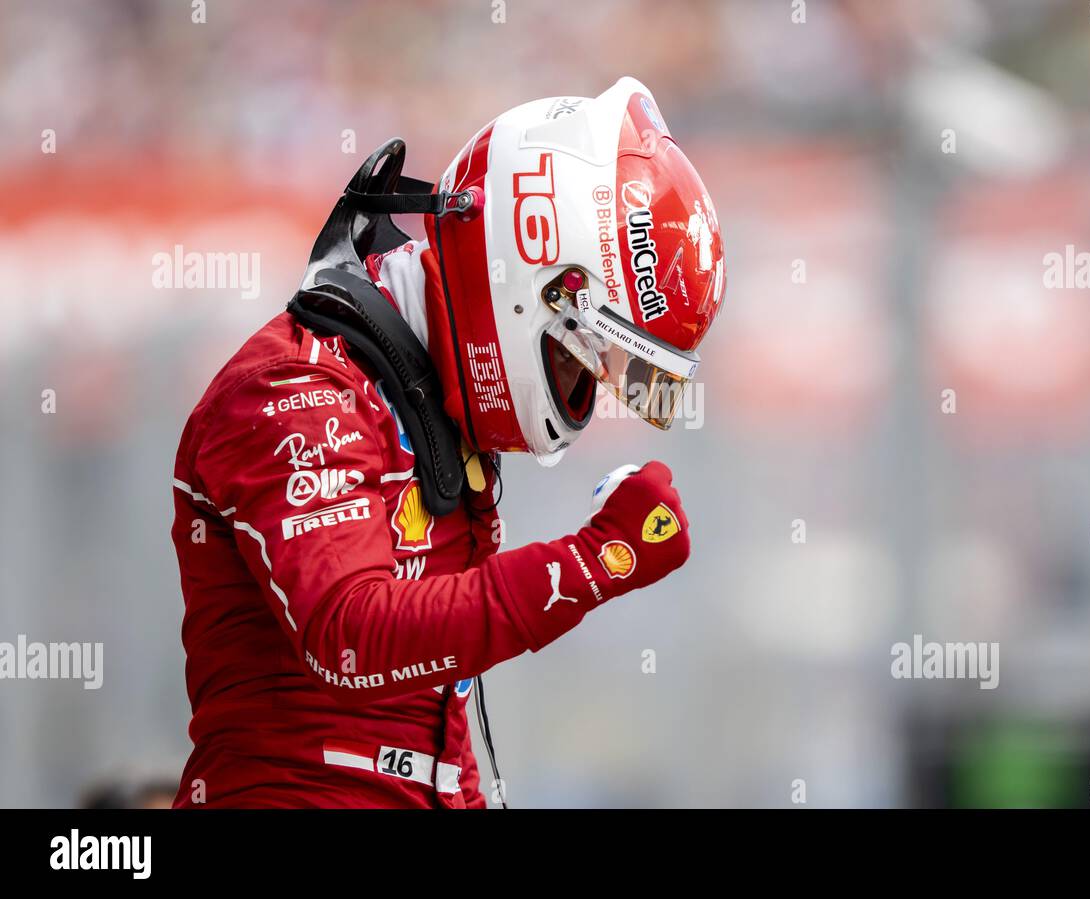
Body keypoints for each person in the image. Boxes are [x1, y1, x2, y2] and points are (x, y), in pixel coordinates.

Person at [170, 77, 727, 808]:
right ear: (534, 279)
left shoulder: (424, 399)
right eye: (582, 356)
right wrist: (596, 560)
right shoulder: (293, 387)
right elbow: (350, 637)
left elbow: (426, 736)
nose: (584, 389)